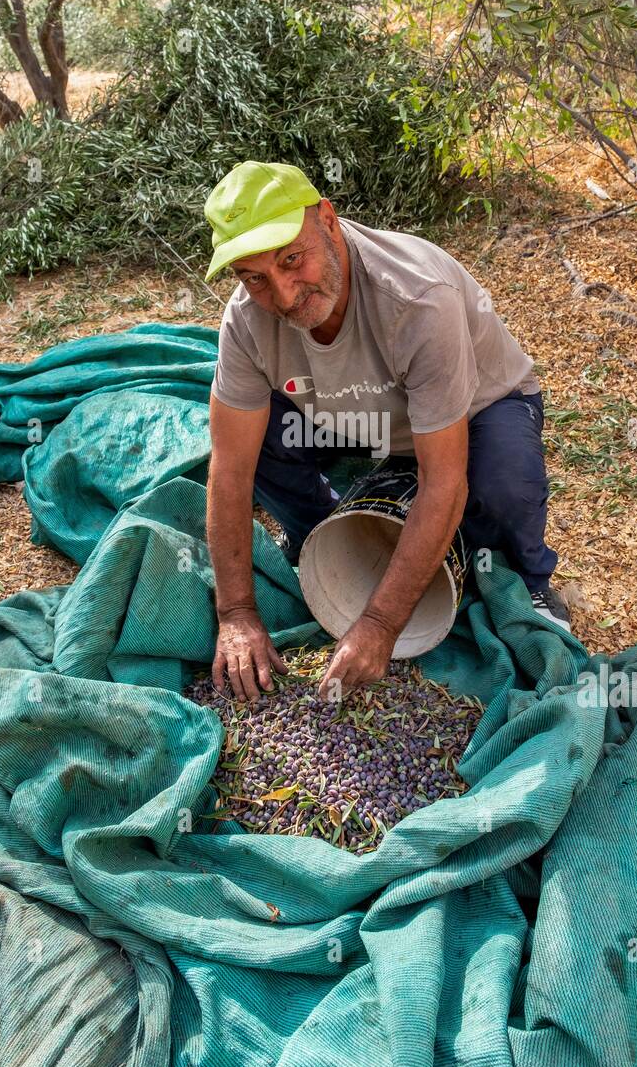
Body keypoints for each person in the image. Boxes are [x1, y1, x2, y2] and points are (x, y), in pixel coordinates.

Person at [204, 160, 569, 703]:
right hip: (359, 416)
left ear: (327, 220)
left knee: (499, 486)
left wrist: (379, 623)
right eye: (255, 278)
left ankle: (532, 583)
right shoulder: (245, 320)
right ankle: (320, 531)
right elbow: (228, 470)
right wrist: (235, 613)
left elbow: (445, 479)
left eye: (292, 260)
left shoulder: (417, 298)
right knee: (264, 445)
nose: (283, 296)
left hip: (476, 410)